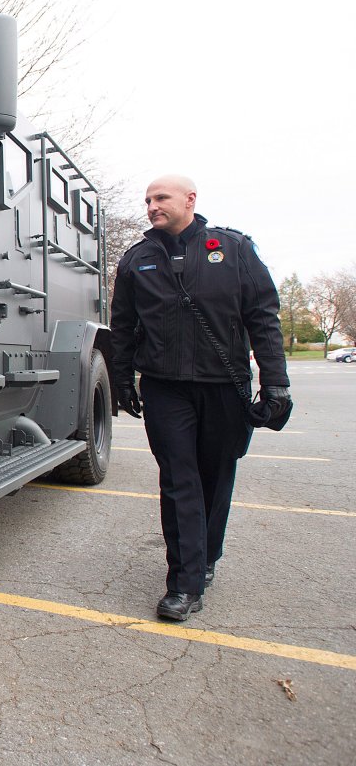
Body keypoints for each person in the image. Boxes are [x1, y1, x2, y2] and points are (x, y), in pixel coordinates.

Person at [109, 174, 290, 622]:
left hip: (223, 387)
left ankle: (207, 556)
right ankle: (184, 584)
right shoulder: (137, 260)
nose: (152, 205)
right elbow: (123, 326)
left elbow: (263, 318)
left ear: (190, 200)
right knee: (179, 479)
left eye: (161, 197)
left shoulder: (233, 250)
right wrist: (121, 381)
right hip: (165, 387)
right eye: (148, 199)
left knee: (216, 475)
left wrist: (276, 383)